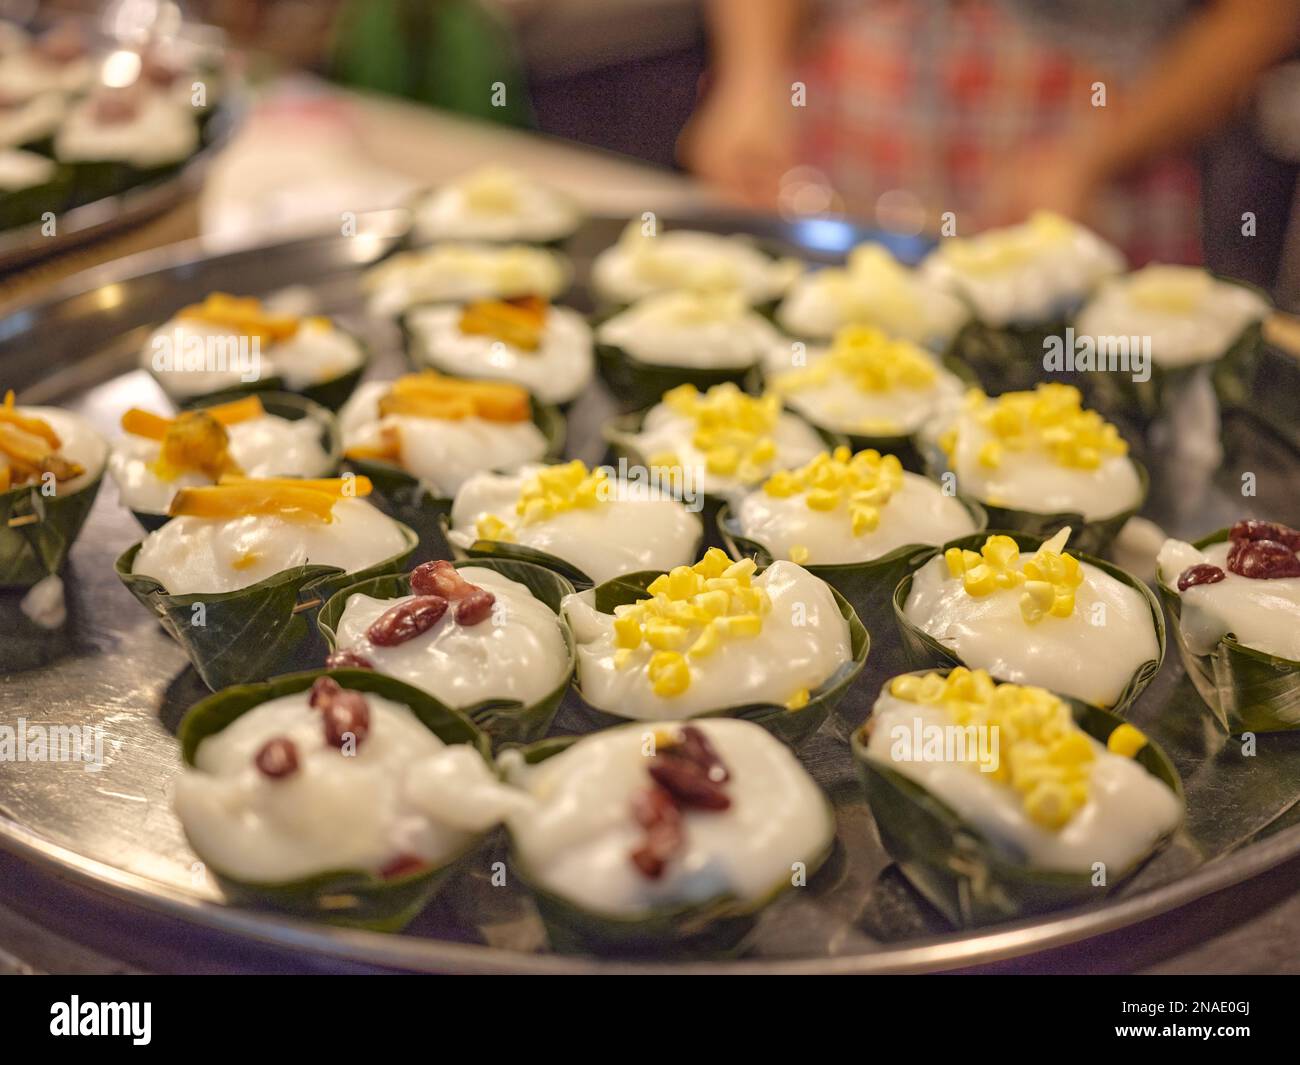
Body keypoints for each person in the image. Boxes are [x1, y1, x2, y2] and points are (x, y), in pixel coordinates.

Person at [679, 0, 1300, 267]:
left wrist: (1095, 156)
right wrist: (752, 72)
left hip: (1095, 145)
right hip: (852, 117)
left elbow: (1263, 14)